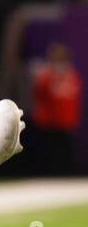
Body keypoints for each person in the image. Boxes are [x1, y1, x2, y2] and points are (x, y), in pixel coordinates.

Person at [30, 43, 82, 176]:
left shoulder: (72, 76)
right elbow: (39, 95)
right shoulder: (46, 76)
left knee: (65, 154)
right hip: (49, 123)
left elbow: (72, 97)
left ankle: (66, 175)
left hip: (65, 123)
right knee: (50, 154)